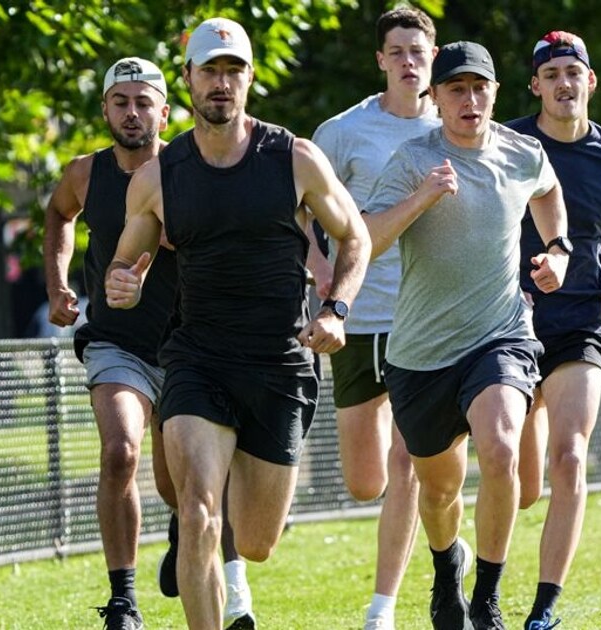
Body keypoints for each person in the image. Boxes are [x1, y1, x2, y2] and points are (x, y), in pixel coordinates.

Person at [104, 17, 370, 630]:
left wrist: (337, 309)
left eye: (233, 71)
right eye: (210, 71)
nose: (221, 83)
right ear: (188, 80)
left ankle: (224, 518)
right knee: (198, 514)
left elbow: (353, 235)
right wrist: (123, 282)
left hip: (279, 364)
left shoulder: (295, 160)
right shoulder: (157, 178)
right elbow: (124, 265)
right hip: (198, 358)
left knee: (254, 542)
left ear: (249, 80)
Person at [361, 41, 569, 630]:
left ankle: (488, 595)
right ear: (436, 98)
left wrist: (558, 248)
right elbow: (369, 240)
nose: (470, 99)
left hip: (498, 334)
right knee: (438, 490)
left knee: (502, 449)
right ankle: (446, 565)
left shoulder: (521, 153)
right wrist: (422, 196)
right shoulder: (411, 159)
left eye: (480, 88)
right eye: (456, 89)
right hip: (420, 354)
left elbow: (548, 191)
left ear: (496, 93)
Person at [42, 56, 254, 630]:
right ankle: (122, 600)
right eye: (120, 102)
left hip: (187, 349)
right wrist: (59, 284)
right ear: (106, 109)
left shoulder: (191, 171)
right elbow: (59, 215)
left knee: (181, 486)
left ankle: (184, 536)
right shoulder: (85, 174)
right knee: (119, 453)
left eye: (143, 103)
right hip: (118, 344)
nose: (132, 113)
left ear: (166, 111)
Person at [506, 31, 601, 630]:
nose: (564, 83)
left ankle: (544, 610)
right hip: (508, 323)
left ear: (589, 81)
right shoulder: (508, 143)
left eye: (574, 72)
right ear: (535, 86)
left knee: (569, 458)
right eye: (552, 75)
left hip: (581, 324)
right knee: (519, 487)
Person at [308, 7, 439, 629]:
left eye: (418, 50)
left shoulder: (460, 126)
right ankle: (442, 535)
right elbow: (299, 211)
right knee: (365, 482)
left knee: (411, 461)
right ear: (381, 61)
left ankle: (382, 608)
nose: (409, 61)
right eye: (398, 51)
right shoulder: (342, 132)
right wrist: (321, 271)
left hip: (431, 322)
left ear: (432, 56)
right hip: (358, 320)